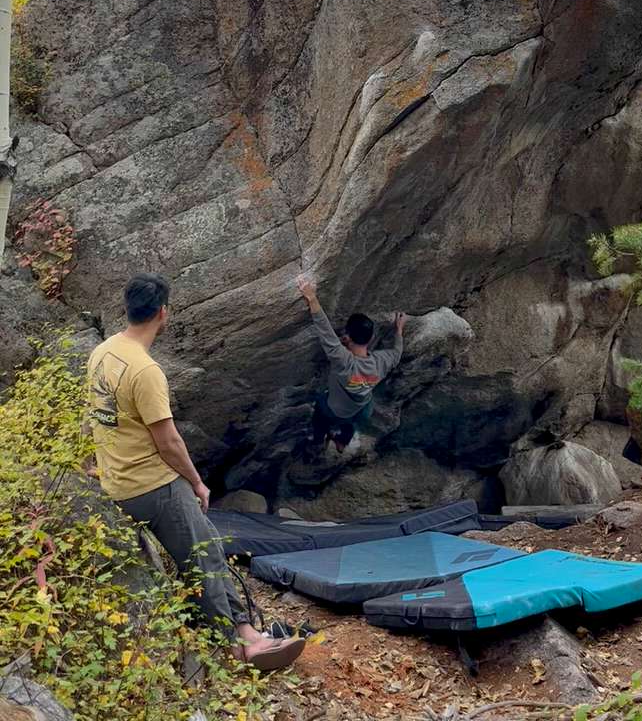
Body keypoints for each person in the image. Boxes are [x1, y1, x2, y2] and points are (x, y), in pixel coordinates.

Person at [86, 273, 305, 673]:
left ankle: (245, 628)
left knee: (206, 543)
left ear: (128, 308)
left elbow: (98, 418)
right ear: (163, 313)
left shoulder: (103, 352)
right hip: (149, 487)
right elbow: (168, 442)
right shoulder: (145, 371)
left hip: (114, 480)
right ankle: (242, 643)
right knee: (204, 555)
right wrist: (198, 483)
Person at [297, 272, 406, 452]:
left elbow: (326, 332)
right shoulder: (382, 361)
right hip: (362, 408)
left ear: (347, 337)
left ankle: (318, 439)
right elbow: (397, 353)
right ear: (371, 338)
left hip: (335, 409)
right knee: (355, 418)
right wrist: (399, 330)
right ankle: (341, 442)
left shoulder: (343, 361)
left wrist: (311, 297)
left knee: (320, 409)